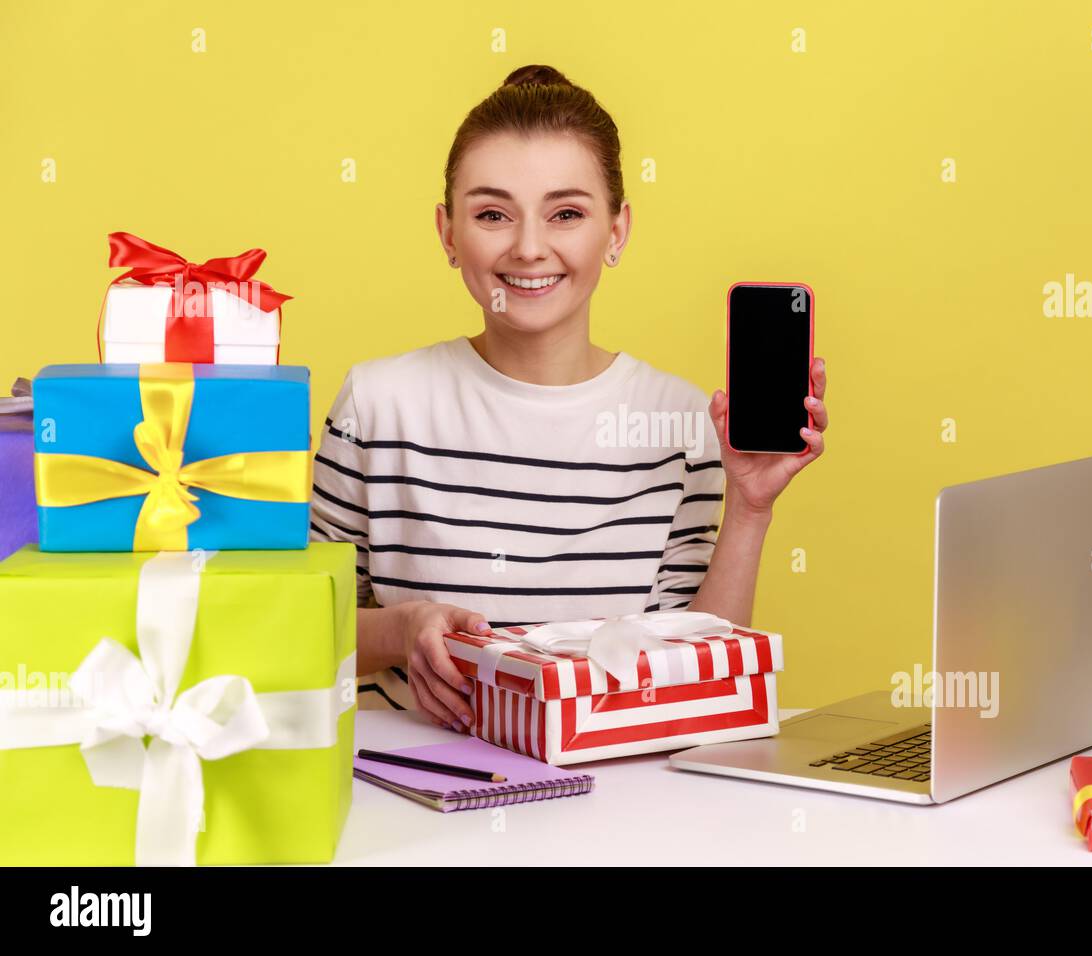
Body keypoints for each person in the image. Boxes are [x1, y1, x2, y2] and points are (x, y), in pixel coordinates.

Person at [310, 64, 829, 729]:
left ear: (616, 231)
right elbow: (305, 631)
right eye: (493, 213)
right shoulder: (378, 404)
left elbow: (701, 672)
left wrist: (750, 509)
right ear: (447, 232)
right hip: (417, 793)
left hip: (614, 798)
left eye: (566, 213)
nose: (529, 248)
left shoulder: (678, 420)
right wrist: (399, 630)